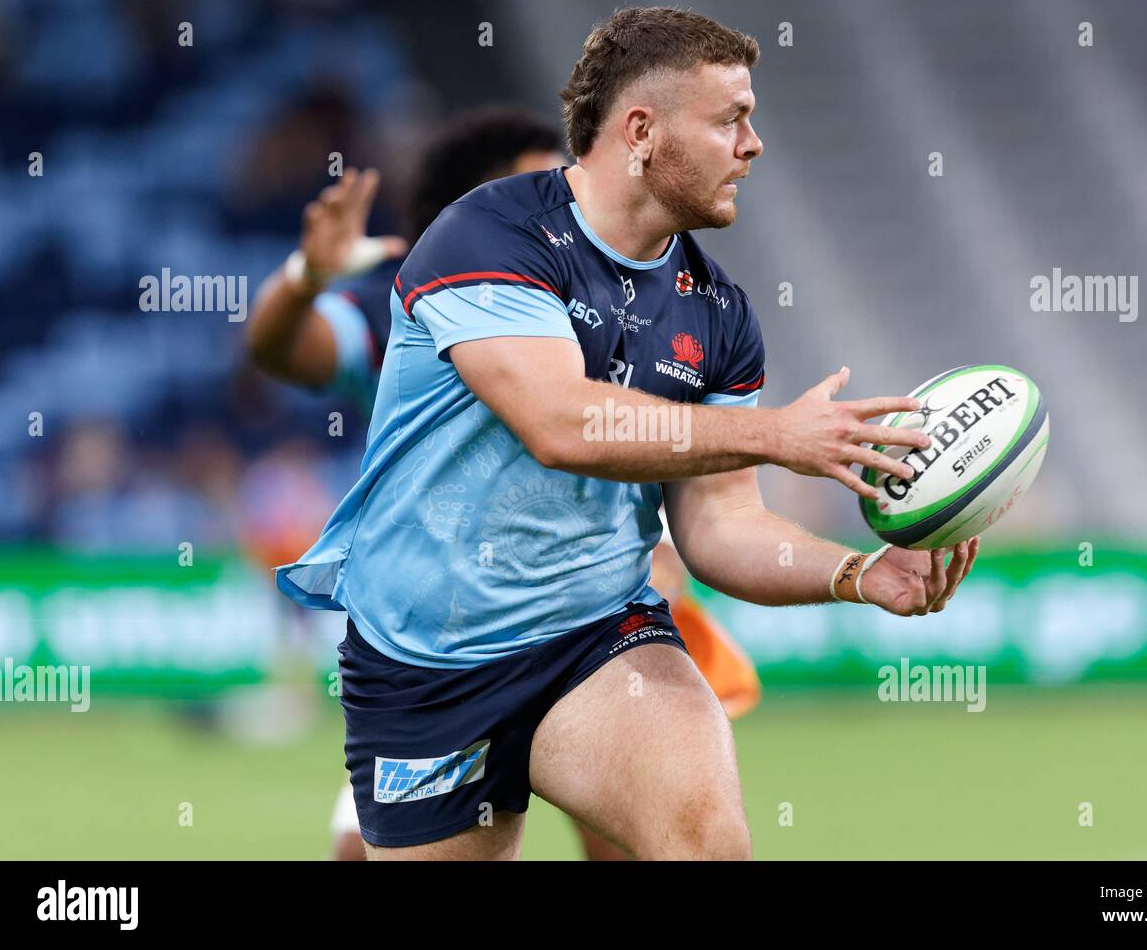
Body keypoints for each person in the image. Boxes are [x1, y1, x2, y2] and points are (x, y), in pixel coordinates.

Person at [276, 6, 978, 861]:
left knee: (707, 847)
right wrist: (776, 435)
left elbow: (721, 529)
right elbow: (560, 424)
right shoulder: (489, 234)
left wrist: (856, 574)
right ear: (641, 130)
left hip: (597, 635)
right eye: (730, 120)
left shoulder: (718, 311)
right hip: (425, 662)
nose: (753, 145)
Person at [247, 104, 761, 861]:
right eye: (538, 187)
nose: (566, 201)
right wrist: (306, 277)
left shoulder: (628, 303)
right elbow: (283, 351)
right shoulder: (409, 310)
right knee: (358, 852)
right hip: (444, 644)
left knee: (654, 834)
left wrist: (672, 558)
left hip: (585, 626)